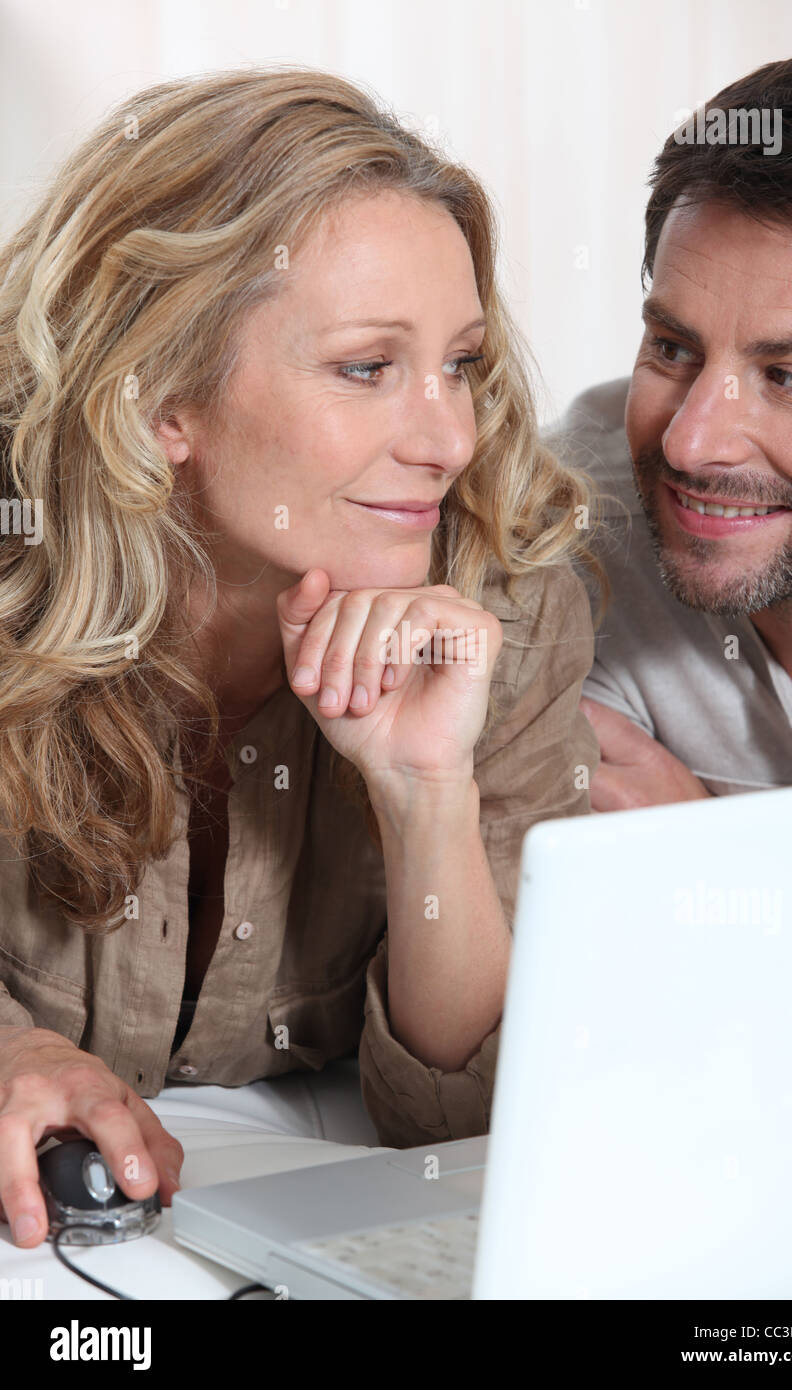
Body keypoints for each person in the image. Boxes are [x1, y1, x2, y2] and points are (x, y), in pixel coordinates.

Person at [0, 66, 601, 1248]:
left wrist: (425, 793)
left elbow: (474, 1125)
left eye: (462, 363)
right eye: (366, 367)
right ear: (160, 398)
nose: (447, 438)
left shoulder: (500, 608)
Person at [549, 51, 792, 809]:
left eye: (789, 378)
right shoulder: (555, 536)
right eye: (672, 350)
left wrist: (707, 861)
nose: (689, 445)